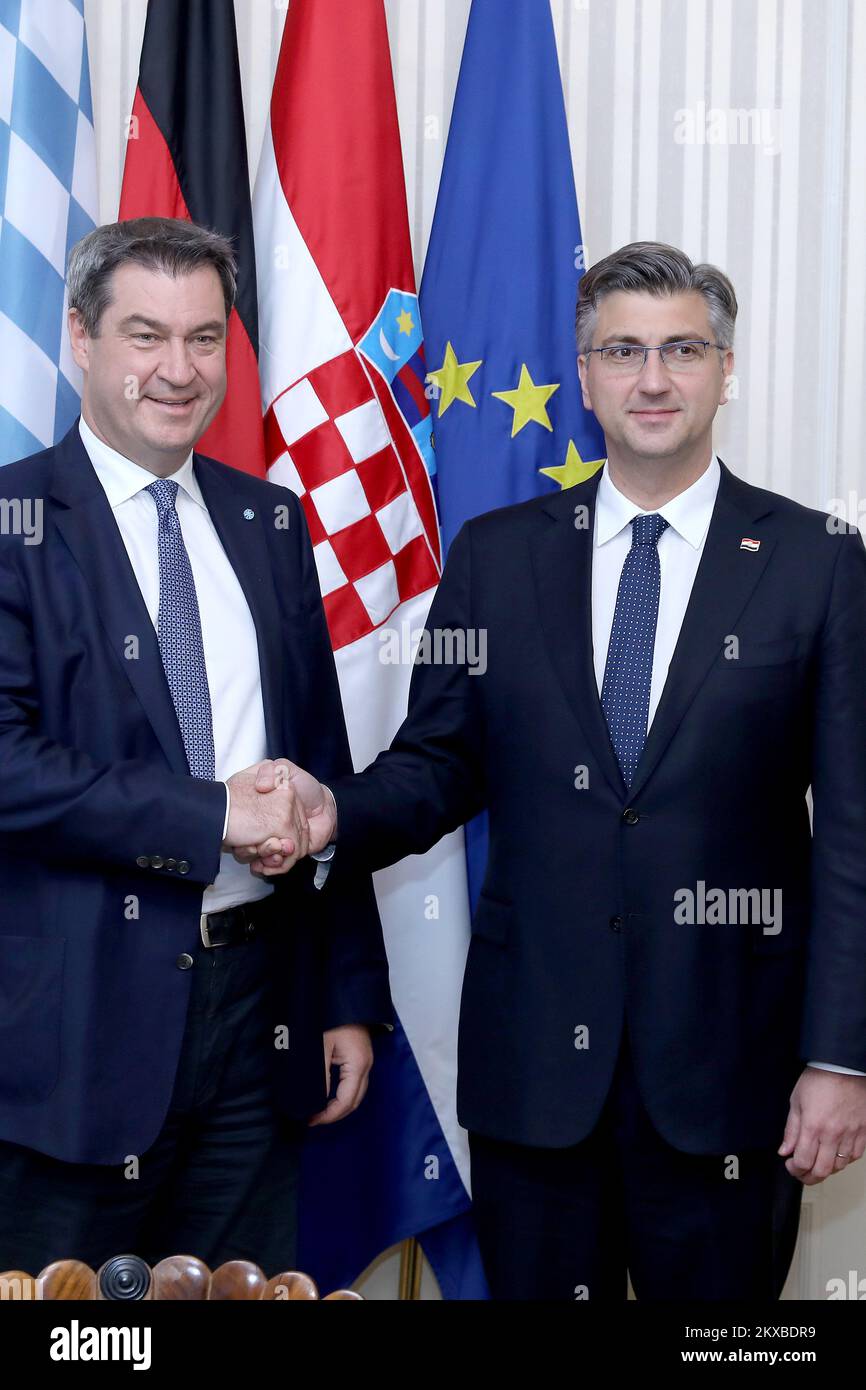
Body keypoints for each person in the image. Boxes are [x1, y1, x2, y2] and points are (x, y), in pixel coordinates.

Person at [236, 242, 866, 1301]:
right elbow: (435, 763)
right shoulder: (492, 554)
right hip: (534, 1079)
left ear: (724, 368)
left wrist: (839, 1059)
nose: (651, 378)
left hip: (732, 1080)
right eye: (621, 350)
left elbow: (850, 829)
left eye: (680, 349)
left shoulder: (819, 560)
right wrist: (330, 809)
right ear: (581, 375)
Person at [0, 217, 392, 1279]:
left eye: (205, 338)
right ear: (80, 337)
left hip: (260, 1020)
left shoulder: (269, 520)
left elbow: (322, 765)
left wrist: (347, 994)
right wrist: (214, 813)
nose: (179, 370)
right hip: (72, 1037)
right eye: (145, 335)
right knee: (72, 1329)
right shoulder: (11, 520)